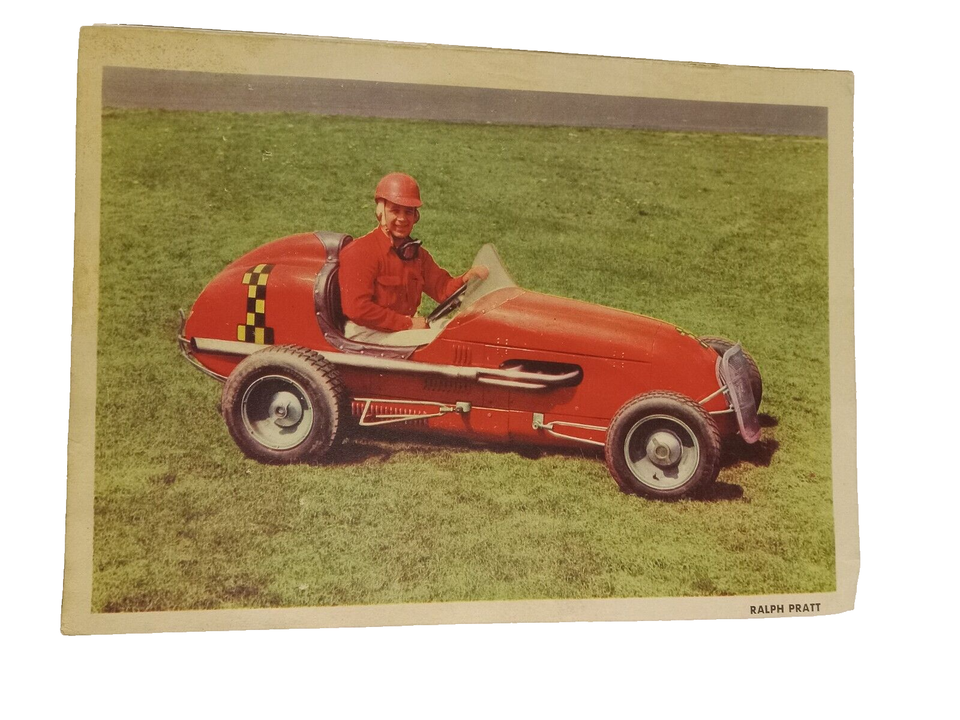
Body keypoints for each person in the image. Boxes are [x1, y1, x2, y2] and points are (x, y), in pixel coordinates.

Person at [339, 172, 489, 346]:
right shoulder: (361, 252)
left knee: (460, 331)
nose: (402, 219)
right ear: (381, 213)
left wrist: (465, 279)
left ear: (415, 217)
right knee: (444, 342)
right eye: (395, 211)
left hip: (399, 330)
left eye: (408, 212)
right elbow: (358, 309)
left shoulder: (416, 254)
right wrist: (408, 323)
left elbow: (443, 289)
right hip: (366, 334)